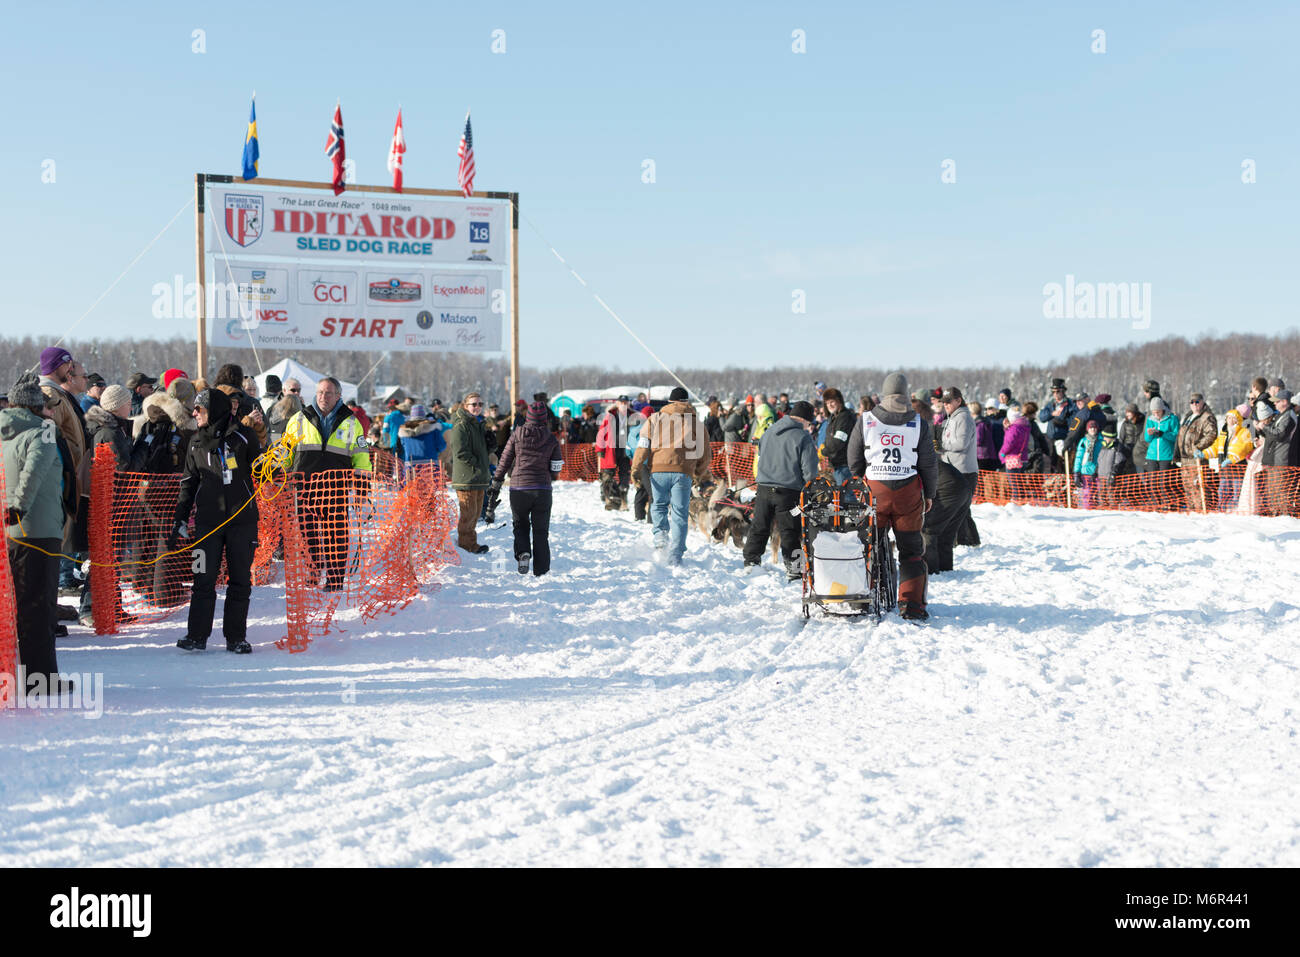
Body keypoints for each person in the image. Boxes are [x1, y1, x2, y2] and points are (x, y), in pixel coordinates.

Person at [168, 389, 259, 653]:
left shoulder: (244, 436)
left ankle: (236, 637)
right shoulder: (195, 442)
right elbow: (188, 483)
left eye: (200, 409)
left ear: (215, 410)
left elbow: (263, 467)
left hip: (242, 521)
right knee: (202, 579)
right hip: (207, 524)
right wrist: (180, 519)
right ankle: (196, 635)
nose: (194, 414)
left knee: (240, 580)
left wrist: (275, 465)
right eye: (194, 409)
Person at [3, 375, 74, 694]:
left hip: (10, 533)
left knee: (21, 604)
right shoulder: (42, 432)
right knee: (39, 605)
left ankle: (25, 676)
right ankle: (41, 681)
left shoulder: (5, 434)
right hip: (37, 529)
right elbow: (34, 470)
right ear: (33, 407)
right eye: (44, 406)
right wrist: (19, 505)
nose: (49, 412)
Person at [847, 373, 938, 620]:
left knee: (869, 546)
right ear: (906, 393)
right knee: (911, 551)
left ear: (885, 393)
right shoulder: (919, 423)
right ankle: (912, 605)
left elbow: (854, 457)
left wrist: (860, 480)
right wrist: (929, 493)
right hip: (908, 493)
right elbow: (929, 464)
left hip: (874, 491)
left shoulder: (866, 420)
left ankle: (865, 595)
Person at [282, 376, 374, 588]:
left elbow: (361, 459)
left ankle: (334, 580)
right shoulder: (298, 419)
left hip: (336, 489)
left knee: (337, 536)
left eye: (329, 393)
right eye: (320, 392)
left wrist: (361, 491)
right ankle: (313, 574)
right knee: (308, 534)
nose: (323, 397)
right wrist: (281, 476)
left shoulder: (351, 422)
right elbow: (285, 453)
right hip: (305, 488)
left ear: (338, 396)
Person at [634, 388, 712, 566]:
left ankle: (660, 536)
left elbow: (643, 446)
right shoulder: (696, 423)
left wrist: (636, 468)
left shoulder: (654, 419)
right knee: (679, 513)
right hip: (683, 472)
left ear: (669, 403)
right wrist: (699, 471)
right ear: (687, 402)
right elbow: (705, 453)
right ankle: (676, 555)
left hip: (658, 470)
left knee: (658, 505)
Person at [741, 399, 816, 578]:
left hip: (764, 488)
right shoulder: (803, 437)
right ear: (805, 420)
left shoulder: (770, 431)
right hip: (789, 491)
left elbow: (760, 455)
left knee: (759, 526)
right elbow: (810, 470)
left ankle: (751, 561)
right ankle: (794, 568)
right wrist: (811, 488)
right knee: (790, 530)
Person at [490, 400, 564, 575]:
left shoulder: (517, 434)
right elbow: (556, 466)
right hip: (542, 490)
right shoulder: (551, 438)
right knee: (541, 530)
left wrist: (497, 481)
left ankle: (523, 552)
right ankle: (541, 569)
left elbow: (504, 460)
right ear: (545, 418)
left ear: (527, 416)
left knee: (520, 524)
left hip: (519, 489)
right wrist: (550, 477)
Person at [923, 386, 978, 575]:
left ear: (959, 401)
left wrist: (941, 444)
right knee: (949, 524)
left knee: (954, 518)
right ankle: (946, 564)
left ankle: (969, 541)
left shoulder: (962, 417)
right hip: (954, 470)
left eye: (949, 401)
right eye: (944, 402)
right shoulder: (953, 418)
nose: (945, 405)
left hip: (963, 471)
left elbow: (960, 444)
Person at [446, 391, 492, 554]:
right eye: (474, 404)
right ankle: (466, 545)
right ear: (465, 406)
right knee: (468, 513)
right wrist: (478, 464)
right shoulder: (462, 424)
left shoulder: (477, 424)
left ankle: (471, 543)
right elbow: (460, 452)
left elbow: (484, 450)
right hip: (467, 477)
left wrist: (490, 440)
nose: (477, 407)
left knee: (475, 513)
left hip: (478, 476)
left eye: (480, 404)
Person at [1176, 393, 1218, 511]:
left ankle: (1201, 511)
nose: (1194, 404)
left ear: (1202, 402)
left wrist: (1198, 447)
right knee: (1188, 488)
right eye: (1192, 402)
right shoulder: (1188, 416)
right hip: (1185, 460)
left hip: (1197, 459)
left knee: (1198, 488)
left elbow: (1212, 434)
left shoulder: (1206, 417)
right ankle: (1192, 511)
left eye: (1197, 402)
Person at [213, 363, 267, 449]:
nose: (235, 406)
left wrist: (258, 425)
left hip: (234, 453)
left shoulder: (213, 399)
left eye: (254, 389)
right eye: (249, 389)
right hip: (236, 453)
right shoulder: (250, 402)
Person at [1209, 408, 1253, 512]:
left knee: (1237, 492)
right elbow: (1216, 447)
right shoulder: (1223, 433)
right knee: (1222, 491)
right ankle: (1222, 510)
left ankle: (1235, 511)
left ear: (1238, 420)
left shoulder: (1244, 432)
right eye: (1229, 418)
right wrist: (1204, 452)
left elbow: (1245, 448)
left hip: (1237, 469)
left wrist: (1232, 459)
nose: (1231, 420)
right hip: (1224, 470)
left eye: (1233, 418)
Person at [594, 395, 631, 510]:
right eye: (622, 402)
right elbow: (601, 433)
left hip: (626, 450)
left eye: (626, 402)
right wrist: (599, 449)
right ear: (617, 404)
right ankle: (609, 500)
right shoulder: (610, 416)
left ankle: (623, 501)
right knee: (607, 476)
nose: (624, 405)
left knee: (625, 477)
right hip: (611, 450)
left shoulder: (633, 417)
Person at [819, 388, 857, 484]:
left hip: (844, 464)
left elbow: (839, 441)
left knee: (845, 495)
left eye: (832, 402)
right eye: (827, 403)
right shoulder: (834, 417)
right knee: (838, 495)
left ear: (839, 401)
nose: (829, 405)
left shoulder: (845, 417)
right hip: (835, 463)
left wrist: (824, 451)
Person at [398, 404, 446, 472]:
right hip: (430, 468)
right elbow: (442, 446)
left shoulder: (404, 431)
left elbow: (403, 447)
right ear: (423, 415)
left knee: (412, 482)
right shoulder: (433, 429)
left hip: (411, 469)